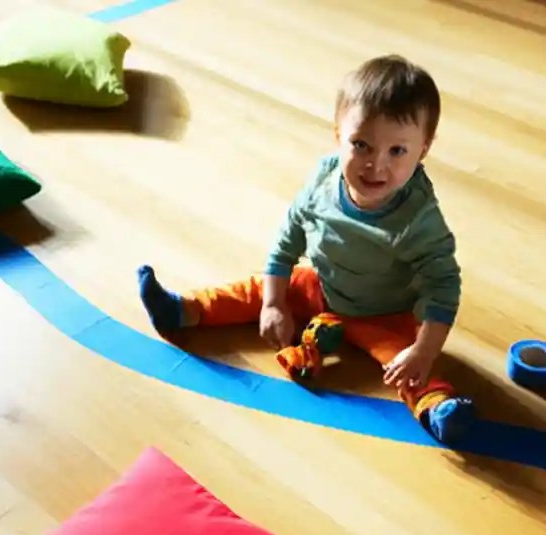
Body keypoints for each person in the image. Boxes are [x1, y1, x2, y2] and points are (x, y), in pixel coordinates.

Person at [136, 54, 476, 443]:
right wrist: (274, 303)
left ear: (424, 150)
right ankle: (184, 310)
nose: (375, 165)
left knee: (403, 362)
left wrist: (424, 350)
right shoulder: (324, 179)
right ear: (338, 135)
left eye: (397, 151)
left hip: (386, 312)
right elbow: (288, 238)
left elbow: (443, 287)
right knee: (254, 288)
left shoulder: (418, 218)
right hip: (325, 286)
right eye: (361, 144)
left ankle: (437, 406)